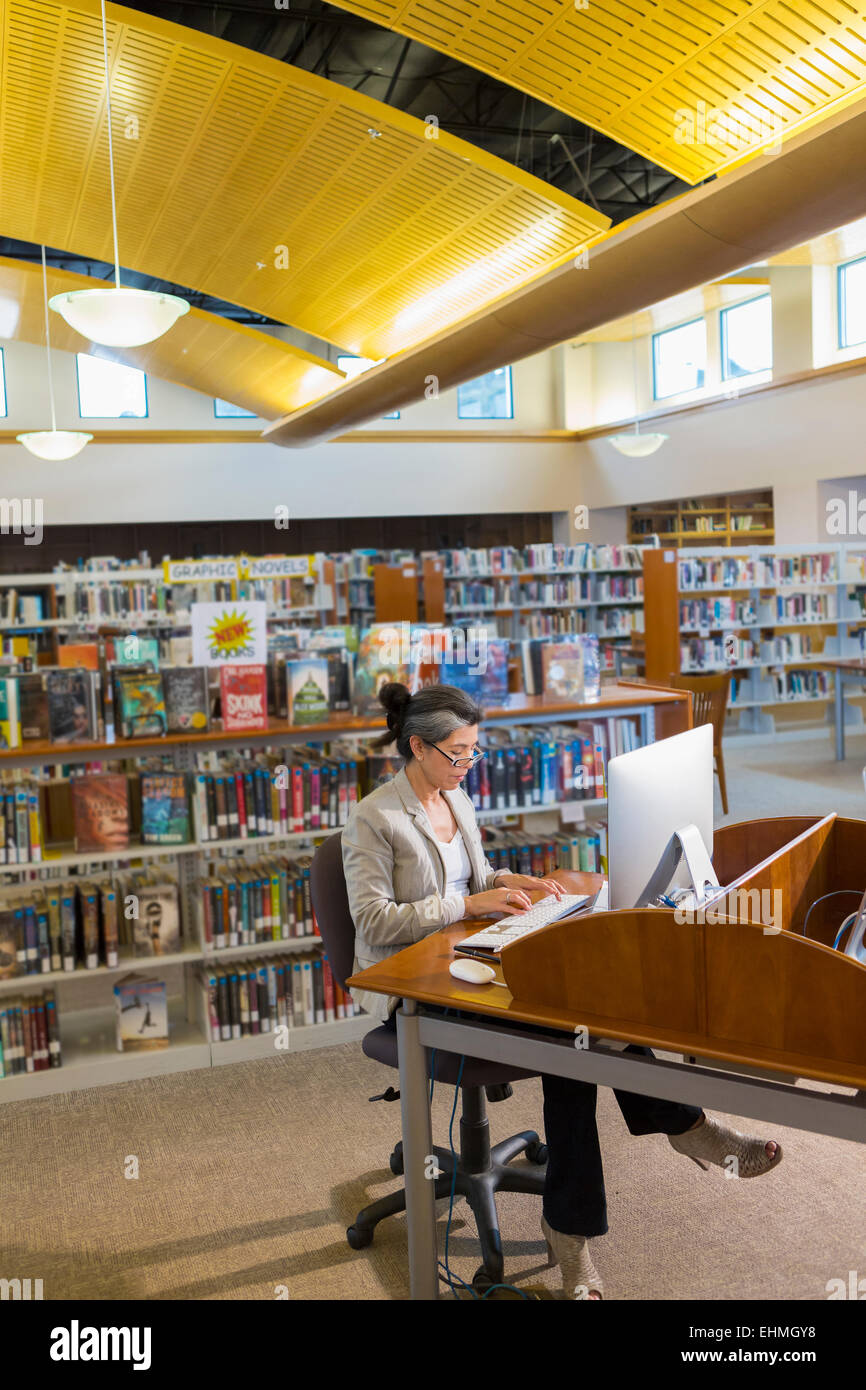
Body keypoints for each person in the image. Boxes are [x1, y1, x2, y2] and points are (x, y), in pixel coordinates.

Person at [342, 683, 783, 1299]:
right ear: (417, 746)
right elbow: (374, 919)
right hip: (411, 982)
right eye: (458, 753)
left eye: (473, 752)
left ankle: (584, 1217)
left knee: (581, 1013)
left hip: (470, 951)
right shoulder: (374, 815)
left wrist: (514, 882)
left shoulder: (453, 793)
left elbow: (477, 872)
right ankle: (658, 1153)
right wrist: (471, 901)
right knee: (569, 1038)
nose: (468, 765)